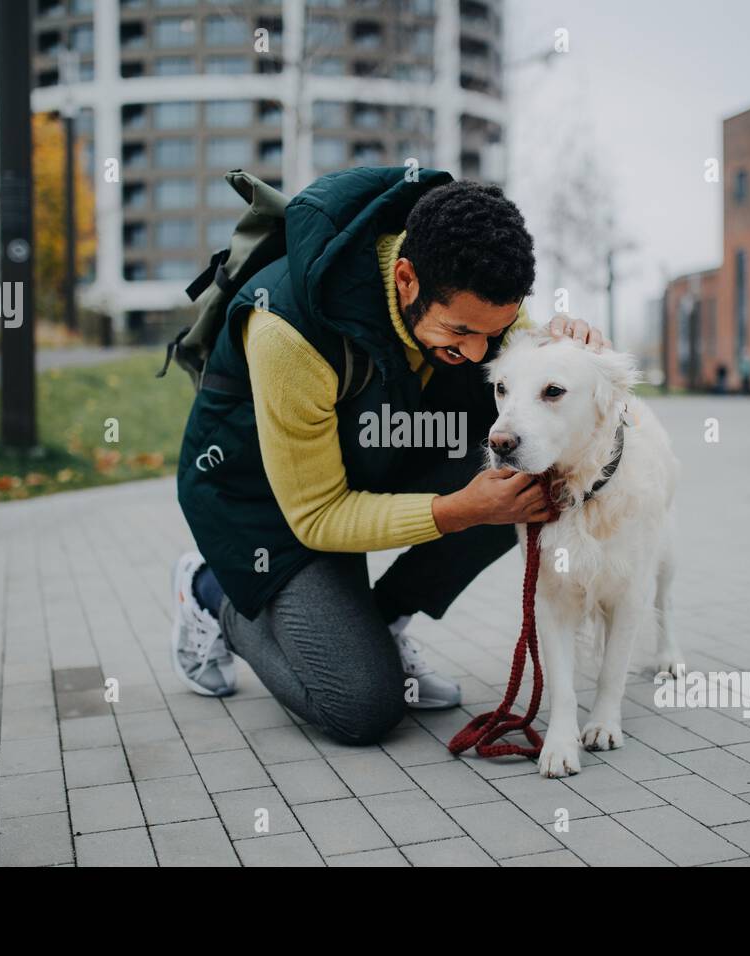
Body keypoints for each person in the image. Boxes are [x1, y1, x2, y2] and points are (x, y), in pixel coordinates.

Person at [171, 168, 605, 746]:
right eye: (460, 331)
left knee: (527, 480)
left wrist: (563, 348)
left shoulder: (472, 300)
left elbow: (533, 377)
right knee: (361, 707)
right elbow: (318, 517)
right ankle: (210, 593)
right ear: (405, 279)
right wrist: (457, 510)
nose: (477, 351)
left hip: (373, 454)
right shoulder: (286, 329)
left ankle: (376, 625)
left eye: (493, 332)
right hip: (261, 507)